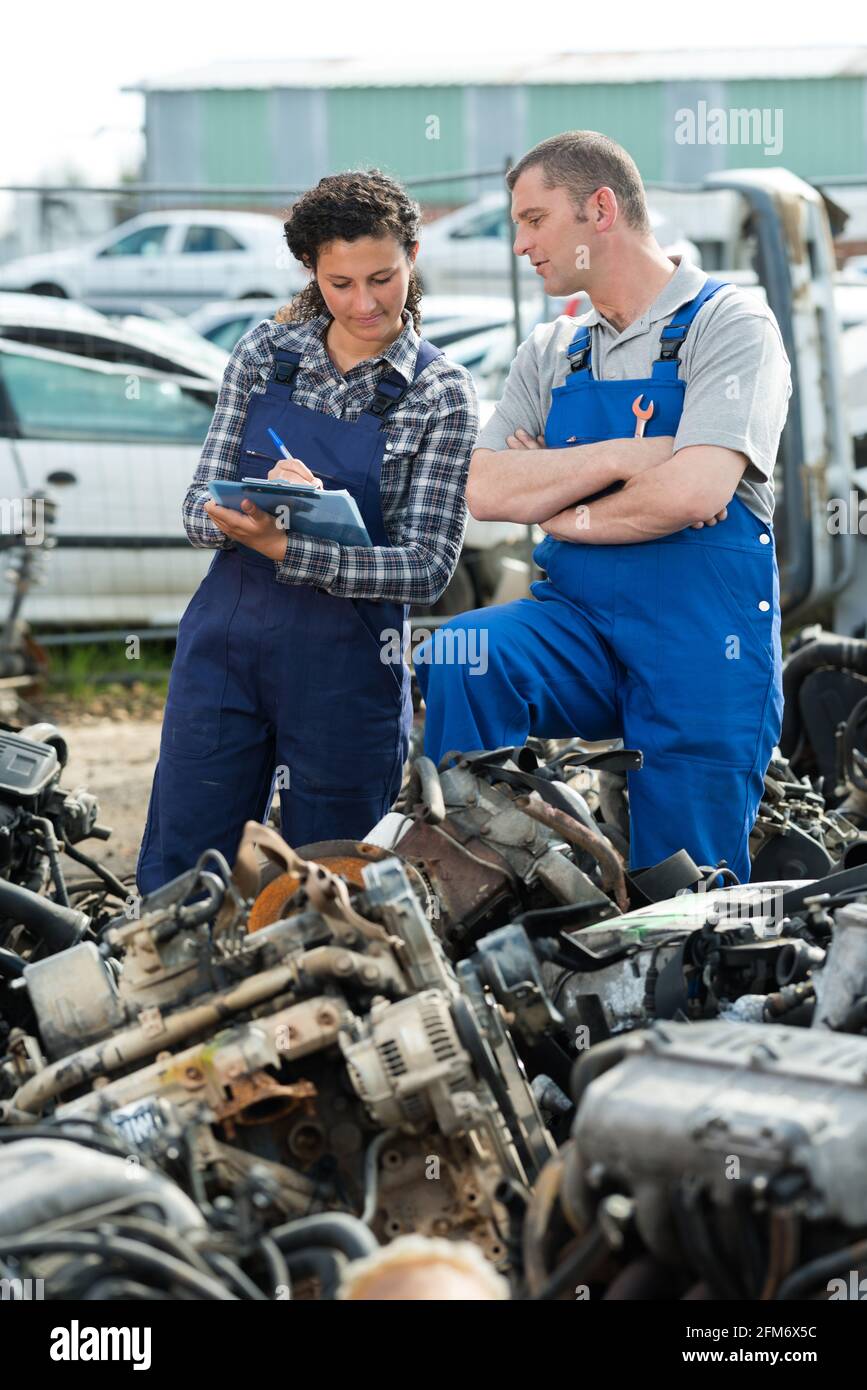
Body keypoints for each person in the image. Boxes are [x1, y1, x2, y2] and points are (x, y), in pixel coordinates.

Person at [416, 131, 791, 885]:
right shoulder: (552, 349)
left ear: (599, 208)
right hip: (577, 626)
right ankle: (483, 883)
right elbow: (485, 491)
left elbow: (695, 492)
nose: (520, 244)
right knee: (464, 655)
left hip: (701, 645)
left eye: (533, 219)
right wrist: (626, 458)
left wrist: (555, 502)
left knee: (686, 896)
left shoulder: (729, 326)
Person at [137, 170, 478, 894]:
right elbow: (198, 508)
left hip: (348, 669)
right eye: (340, 283)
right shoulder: (266, 355)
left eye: (382, 278)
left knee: (331, 878)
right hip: (225, 648)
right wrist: (248, 512)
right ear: (310, 272)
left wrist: (290, 549)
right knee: (184, 861)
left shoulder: (439, 392)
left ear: (412, 255)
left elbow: (426, 566)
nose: (365, 302)